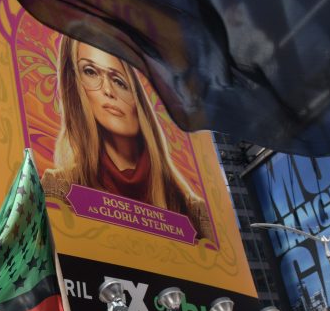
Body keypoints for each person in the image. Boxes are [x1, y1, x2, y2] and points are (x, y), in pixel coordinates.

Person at [40, 36, 213, 240]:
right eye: (90, 72)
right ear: (76, 87)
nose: (108, 91)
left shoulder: (193, 211)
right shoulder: (60, 187)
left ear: (139, 101)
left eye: (119, 81)